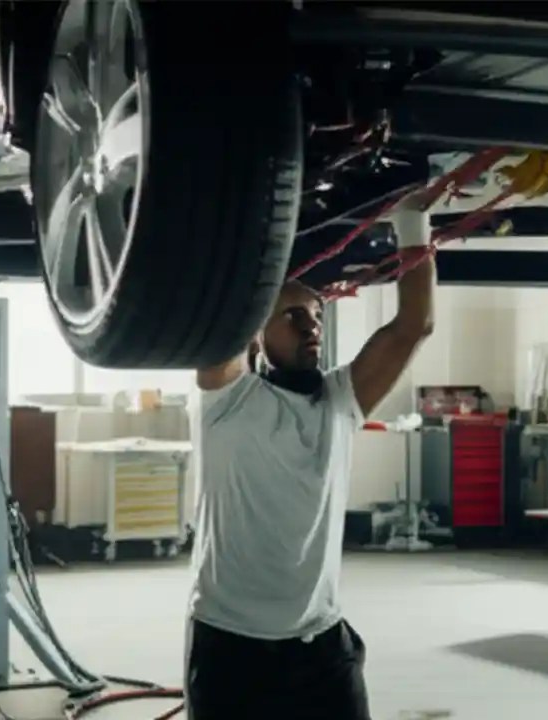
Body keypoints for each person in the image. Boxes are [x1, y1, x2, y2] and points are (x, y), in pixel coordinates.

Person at [186, 198, 436, 719]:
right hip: (231, 647)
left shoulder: (340, 401)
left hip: (321, 645)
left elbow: (414, 324)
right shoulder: (226, 400)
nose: (312, 326)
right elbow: (221, 328)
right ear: (256, 330)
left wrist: (412, 218)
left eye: (318, 315)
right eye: (293, 316)